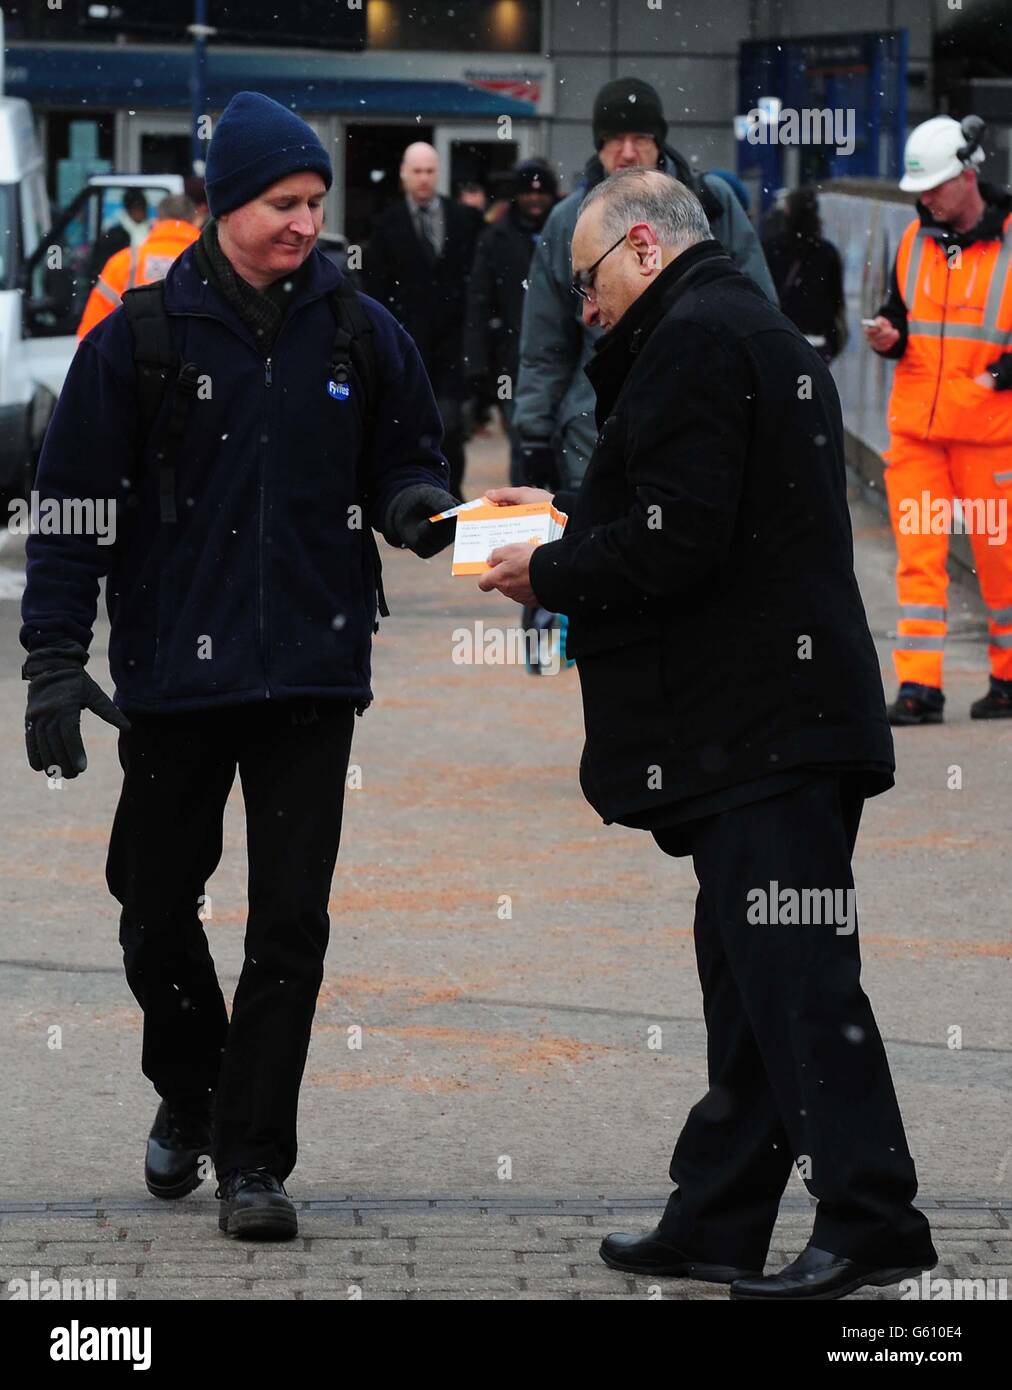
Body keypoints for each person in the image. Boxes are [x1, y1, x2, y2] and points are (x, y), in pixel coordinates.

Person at [478, 168, 937, 1301]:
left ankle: (871, 1215)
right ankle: (718, 1217)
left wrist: (550, 571)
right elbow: (698, 517)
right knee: (748, 984)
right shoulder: (746, 324)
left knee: (797, 981)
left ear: (642, 245)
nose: (583, 308)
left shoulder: (697, 337)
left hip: (763, 732)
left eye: (587, 283)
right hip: (775, 726)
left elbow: (671, 537)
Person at [20, 91, 458, 1242]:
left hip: (314, 675)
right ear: (224, 204)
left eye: (314, 203)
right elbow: (71, 511)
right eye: (282, 203)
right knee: (151, 907)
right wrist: (53, 662)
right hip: (174, 676)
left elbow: (412, 454)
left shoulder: (360, 329)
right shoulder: (141, 339)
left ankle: (254, 1161)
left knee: (288, 927)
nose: (304, 223)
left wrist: (418, 507)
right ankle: (193, 1090)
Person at [512, 76, 777, 494]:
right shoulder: (567, 222)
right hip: (593, 429)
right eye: (615, 138)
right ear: (598, 145)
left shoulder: (712, 202)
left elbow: (761, 313)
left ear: (661, 142)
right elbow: (545, 346)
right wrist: (533, 435)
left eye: (641, 137)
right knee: (603, 542)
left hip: (703, 416)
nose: (628, 151)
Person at [865, 114, 1012, 724]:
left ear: (967, 176)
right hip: (919, 434)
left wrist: (998, 378)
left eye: (934, 188)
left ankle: (1008, 679)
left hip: (989, 433)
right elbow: (901, 316)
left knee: (1002, 561)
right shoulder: (913, 240)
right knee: (918, 561)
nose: (923, 199)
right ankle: (919, 688)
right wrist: (888, 337)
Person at [363, 141, 482, 497]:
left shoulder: (464, 220)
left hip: (452, 343)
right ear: (403, 174)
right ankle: (418, 492)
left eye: (430, 171)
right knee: (411, 425)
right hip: (407, 341)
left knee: (451, 425)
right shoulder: (387, 225)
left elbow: (477, 283)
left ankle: (450, 494)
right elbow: (376, 287)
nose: (424, 179)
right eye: (417, 171)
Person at [463, 159, 558, 486]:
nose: (535, 200)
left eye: (542, 193)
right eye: (528, 193)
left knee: (566, 442)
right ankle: (527, 518)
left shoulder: (565, 231)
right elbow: (479, 302)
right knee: (524, 444)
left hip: (562, 358)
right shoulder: (496, 238)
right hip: (513, 362)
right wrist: (476, 363)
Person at [77, 194, 201, 338]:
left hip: (131, 358)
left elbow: (90, 334)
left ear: (156, 222)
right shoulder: (212, 261)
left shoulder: (124, 262)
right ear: (196, 221)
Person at [763, 186, 845, 365]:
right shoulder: (827, 253)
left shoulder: (771, 249)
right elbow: (836, 302)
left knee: (782, 391)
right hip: (816, 344)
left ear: (788, 212)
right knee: (808, 391)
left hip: (780, 339)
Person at [87, 187, 150, 286]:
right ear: (128, 210)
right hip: (121, 287)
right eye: (136, 208)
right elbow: (101, 268)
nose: (140, 212)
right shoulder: (114, 236)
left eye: (142, 208)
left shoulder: (153, 231)